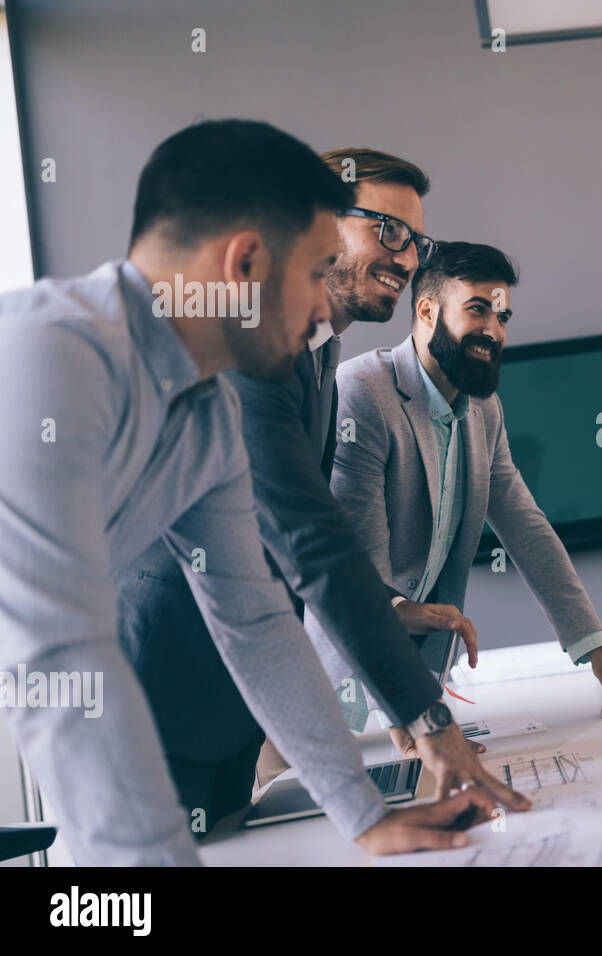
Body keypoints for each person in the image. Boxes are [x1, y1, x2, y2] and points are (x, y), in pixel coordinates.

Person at [0, 120, 503, 865]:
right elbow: (59, 665)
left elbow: (255, 618)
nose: (318, 313)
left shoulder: (205, 412)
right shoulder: (50, 360)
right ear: (244, 263)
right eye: (313, 273)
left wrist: (363, 816)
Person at [117, 146, 527, 827]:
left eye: (415, 241)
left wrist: (388, 608)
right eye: (387, 231)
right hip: (162, 688)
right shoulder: (251, 343)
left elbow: (287, 538)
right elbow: (310, 541)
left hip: (232, 700)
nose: (406, 258)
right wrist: (427, 717)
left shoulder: (318, 351)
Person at [313, 241, 602, 721]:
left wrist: (600, 656)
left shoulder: (482, 408)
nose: (494, 330)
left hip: (413, 681)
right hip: (338, 687)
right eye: (478, 310)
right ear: (426, 311)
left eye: (502, 316)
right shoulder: (363, 393)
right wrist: (411, 719)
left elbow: (527, 528)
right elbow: (364, 570)